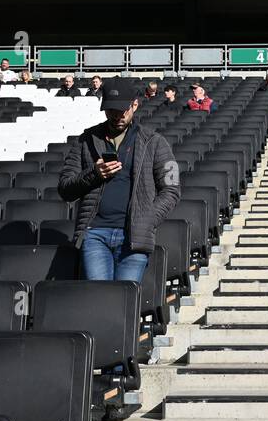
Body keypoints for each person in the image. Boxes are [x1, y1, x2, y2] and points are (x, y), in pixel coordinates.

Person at [58, 77, 181, 283]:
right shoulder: (86, 139)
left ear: (135, 104)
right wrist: (94, 174)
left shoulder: (155, 142)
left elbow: (172, 189)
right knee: (99, 299)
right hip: (94, 233)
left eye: (121, 110)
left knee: (124, 300)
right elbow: (65, 189)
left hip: (134, 236)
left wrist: (146, 219)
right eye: (110, 111)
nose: (116, 116)